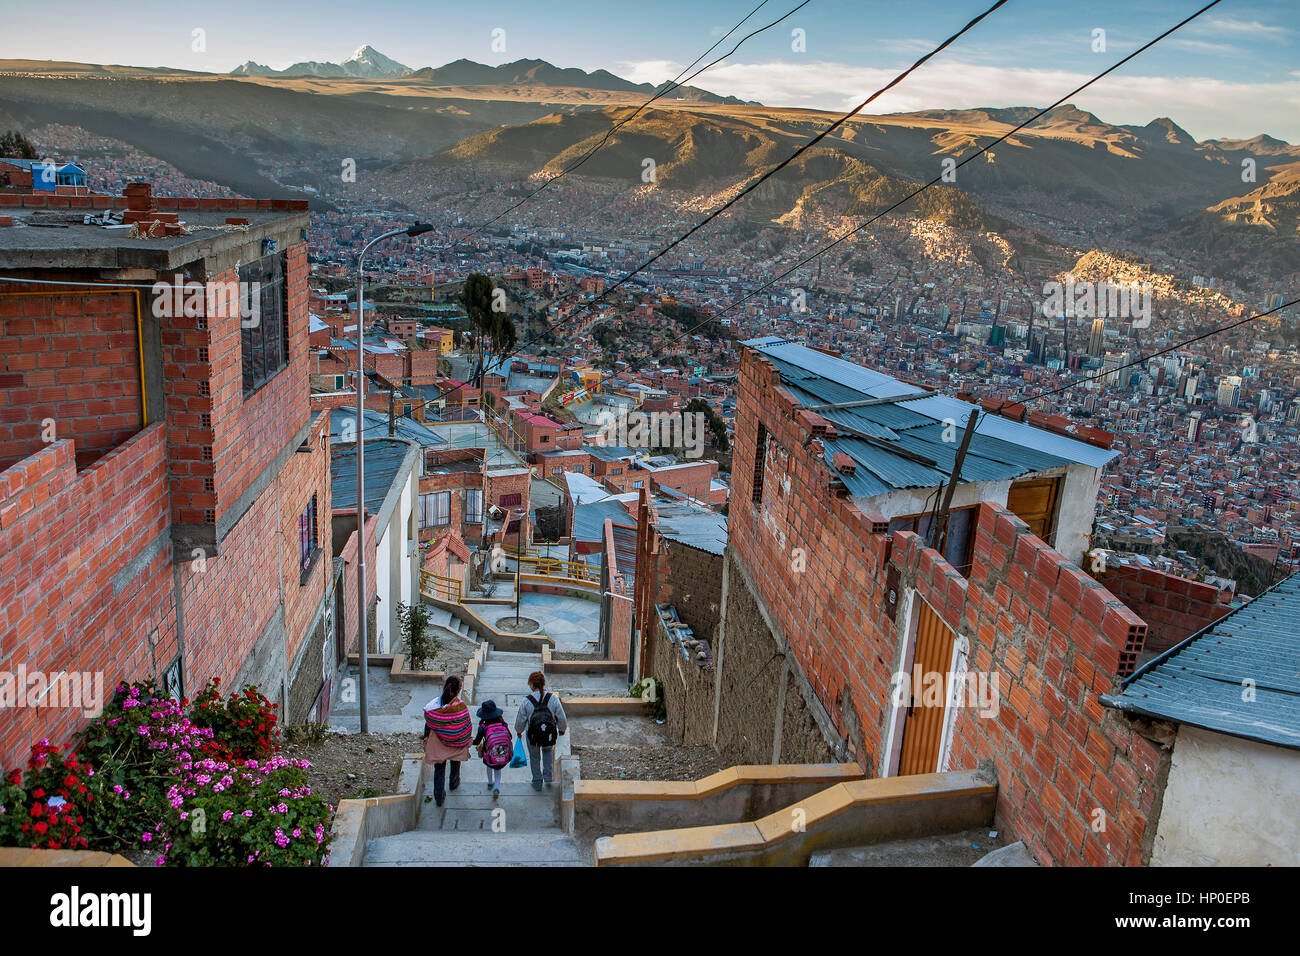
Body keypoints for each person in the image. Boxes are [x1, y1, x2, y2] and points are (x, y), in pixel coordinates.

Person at [423, 675, 471, 807]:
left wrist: (426, 738)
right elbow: (466, 724)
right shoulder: (461, 706)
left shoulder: (432, 705)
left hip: (438, 741)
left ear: (445, 687)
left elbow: (428, 722)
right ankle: (454, 783)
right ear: (458, 690)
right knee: (455, 761)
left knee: (439, 767)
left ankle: (439, 797)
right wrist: (463, 737)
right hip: (456, 742)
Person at [514, 671, 567, 791]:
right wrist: (562, 729)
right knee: (548, 753)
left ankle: (537, 781)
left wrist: (519, 731)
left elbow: (521, 719)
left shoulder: (527, 701)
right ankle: (548, 777)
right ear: (543, 684)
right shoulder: (553, 698)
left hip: (532, 736)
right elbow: (561, 716)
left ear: (532, 684)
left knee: (534, 757)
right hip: (548, 735)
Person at [472, 699, 512, 798]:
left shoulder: (483, 726)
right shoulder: (503, 724)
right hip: (502, 752)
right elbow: (510, 737)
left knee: (489, 765)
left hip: (489, 752)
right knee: (498, 769)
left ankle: (490, 783)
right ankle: (497, 787)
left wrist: (469, 742)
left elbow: (477, 741)